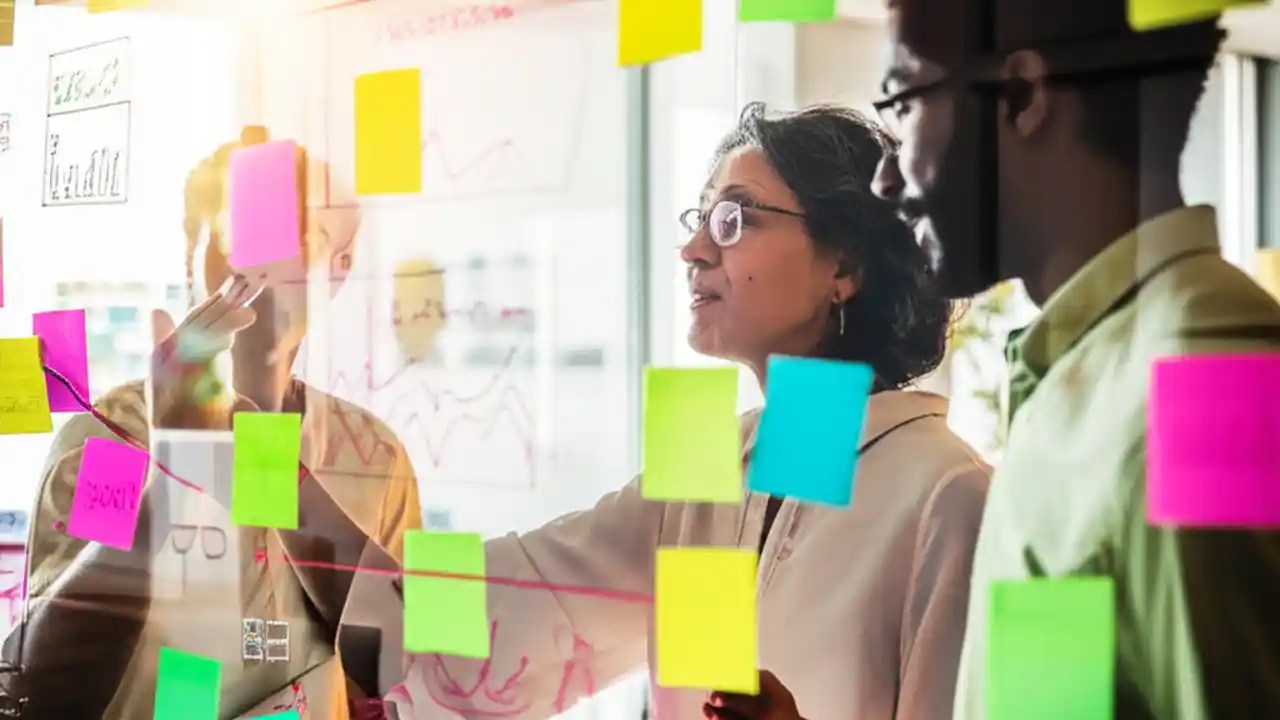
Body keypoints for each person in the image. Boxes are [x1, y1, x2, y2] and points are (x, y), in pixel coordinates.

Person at [378, 102, 990, 720]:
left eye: (734, 220)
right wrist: (357, 588)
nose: (693, 249)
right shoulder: (730, 463)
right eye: (701, 217)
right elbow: (535, 586)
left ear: (845, 266)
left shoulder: (945, 494)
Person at [871, 1, 1280, 717]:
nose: (885, 180)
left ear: (1023, 96)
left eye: (905, 101)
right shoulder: (1077, 377)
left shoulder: (1205, 397)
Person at [1, 127, 422, 718]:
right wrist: (172, 475)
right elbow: (41, 690)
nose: (260, 261)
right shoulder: (115, 443)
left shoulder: (373, 457)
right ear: (190, 256)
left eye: (300, 238)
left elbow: (406, 669)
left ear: (340, 269)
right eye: (232, 233)